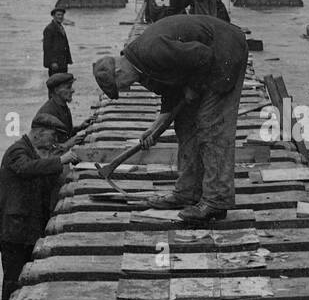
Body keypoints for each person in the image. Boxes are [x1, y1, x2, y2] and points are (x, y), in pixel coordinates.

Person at [91, 13, 248, 226]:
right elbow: (172, 90)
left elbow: (203, 55)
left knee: (211, 126)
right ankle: (188, 192)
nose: (126, 89)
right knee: (185, 124)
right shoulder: (139, 64)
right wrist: (157, 126)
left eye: (121, 86)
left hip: (225, 53)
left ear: (118, 71)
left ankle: (217, 200)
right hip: (207, 61)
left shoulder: (151, 51)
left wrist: (193, 86)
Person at [0, 121, 80, 300]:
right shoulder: (17, 152)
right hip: (12, 231)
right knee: (13, 281)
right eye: (51, 137)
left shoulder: (31, 151)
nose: (53, 142)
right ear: (38, 134)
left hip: (22, 230)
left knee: (20, 280)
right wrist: (60, 160)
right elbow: (27, 169)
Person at [34, 73, 76, 142]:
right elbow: (46, 146)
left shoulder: (62, 107)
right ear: (56, 91)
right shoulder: (47, 114)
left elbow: (65, 132)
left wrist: (81, 127)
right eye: (68, 87)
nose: (73, 90)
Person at [43, 7, 72, 74]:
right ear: (53, 16)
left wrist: (68, 60)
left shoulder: (61, 28)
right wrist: (53, 62)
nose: (60, 17)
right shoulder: (49, 29)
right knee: (55, 82)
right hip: (55, 64)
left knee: (64, 82)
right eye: (58, 15)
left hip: (63, 62)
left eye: (62, 15)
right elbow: (47, 48)